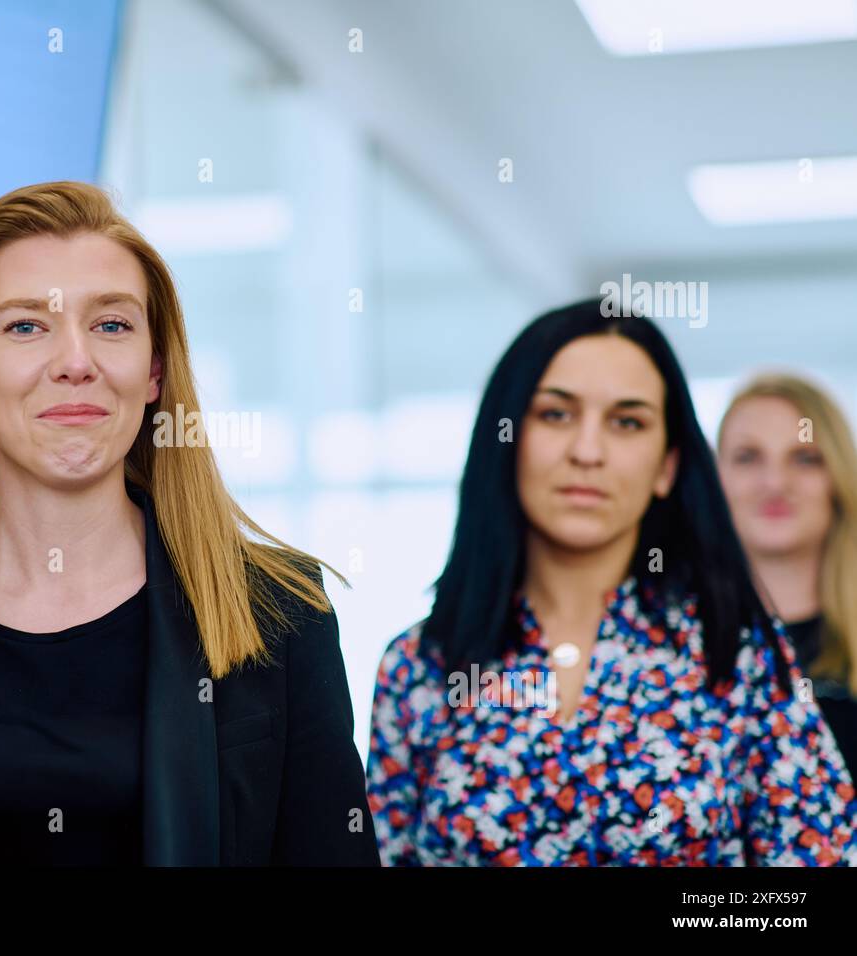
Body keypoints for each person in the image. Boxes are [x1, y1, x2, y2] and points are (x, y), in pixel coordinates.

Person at [0, 180, 379, 866]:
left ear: (153, 371)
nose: (74, 363)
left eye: (112, 325)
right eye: (26, 325)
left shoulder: (279, 614)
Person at [366, 298, 857, 866]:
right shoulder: (419, 664)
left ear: (667, 466)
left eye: (627, 422)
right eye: (556, 414)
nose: (588, 451)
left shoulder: (739, 652)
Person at [717, 373, 857, 776]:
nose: (775, 483)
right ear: (714, 479)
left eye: (804, 458)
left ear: (836, 475)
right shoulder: (673, 645)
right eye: (748, 457)